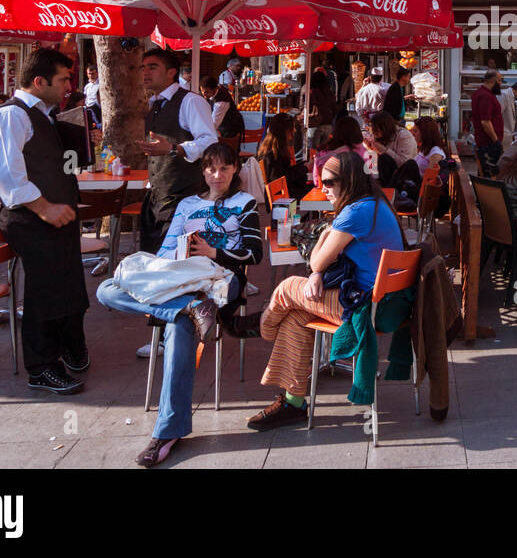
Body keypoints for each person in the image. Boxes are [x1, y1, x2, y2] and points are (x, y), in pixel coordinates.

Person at [96, 142, 262, 466]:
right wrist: (167, 264)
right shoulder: (187, 204)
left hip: (220, 280)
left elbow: (254, 253)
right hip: (179, 281)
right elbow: (166, 249)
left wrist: (213, 252)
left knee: (180, 328)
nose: (217, 175)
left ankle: (167, 432)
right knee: (106, 288)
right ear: (203, 171)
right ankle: (185, 307)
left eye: (225, 168)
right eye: (211, 168)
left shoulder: (245, 203)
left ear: (234, 171)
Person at [247, 151, 405, 430]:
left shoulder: (355, 212)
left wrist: (323, 238)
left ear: (350, 181)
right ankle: (293, 402)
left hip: (367, 309)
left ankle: (259, 326)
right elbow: (323, 264)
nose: (323, 188)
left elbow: (316, 259)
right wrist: (317, 273)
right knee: (296, 316)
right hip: (389, 304)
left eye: (330, 182)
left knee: (286, 288)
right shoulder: (376, 203)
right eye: (322, 180)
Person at [0, 48, 88, 395]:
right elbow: (5, 174)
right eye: (63, 79)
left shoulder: (43, 113)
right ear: (39, 81)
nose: (68, 86)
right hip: (31, 219)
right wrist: (44, 207)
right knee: (45, 289)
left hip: (55, 216)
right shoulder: (10, 116)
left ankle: (66, 349)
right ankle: (41, 367)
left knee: (66, 282)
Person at [137, 47, 219, 264]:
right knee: (153, 258)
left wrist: (175, 149)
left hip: (185, 195)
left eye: (152, 67)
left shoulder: (190, 101)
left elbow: (210, 141)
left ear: (171, 72)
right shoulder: (153, 104)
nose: (145, 72)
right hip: (157, 194)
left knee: (175, 261)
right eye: (143, 68)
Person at [258, 112, 310, 199]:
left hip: (282, 191)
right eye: (292, 128)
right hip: (281, 195)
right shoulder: (272, 153)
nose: (295, 130)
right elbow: (280, 179)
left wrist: (304, 165)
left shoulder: (273, 148)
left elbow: (284, 172)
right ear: (285, 130)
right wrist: (304, 168)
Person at [311, 115, 369, 186]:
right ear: (357, 132)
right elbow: (370, 176)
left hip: (329, 192)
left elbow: (317, 181)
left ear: (336, 132)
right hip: (359, 192)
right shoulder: (363, 151)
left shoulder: (323, 153)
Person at [367, 110, 418, 187]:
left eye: (376, 130)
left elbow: (404, 164)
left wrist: (382, 149)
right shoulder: (381, 136)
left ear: (384, 128)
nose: (373, 133)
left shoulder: (404, 136)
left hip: (402, 179)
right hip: (384, 176)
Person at [470, 70, 505, 176]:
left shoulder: (482, 93)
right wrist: (496, 141)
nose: (501, 84)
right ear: (493, 81)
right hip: (489, 144)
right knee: (490, 176)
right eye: (499, 81)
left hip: (486, 143)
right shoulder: (486, 96)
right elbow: (485, 122)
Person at [199, 75, 244, 142]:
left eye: (206, 92)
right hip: (222, 129)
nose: (204, 94)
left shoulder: (221, 103)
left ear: (214, 90)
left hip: (230, 131)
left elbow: (214, 124)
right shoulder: (217, 88)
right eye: (202, 91)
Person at [307, 67, 336, 149]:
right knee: (325, 151)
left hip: (315, 124)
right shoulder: (329, 92)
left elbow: (306, 107)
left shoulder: (311, 92)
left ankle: (314, 162)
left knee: (313, 151)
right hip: (328, 124)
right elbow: (334, 108)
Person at [497, 78, 517, 144]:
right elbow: (497, 115)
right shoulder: (503, 95)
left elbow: (514, 121)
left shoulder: (512, 98)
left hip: (507, 137)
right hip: (502, 136)